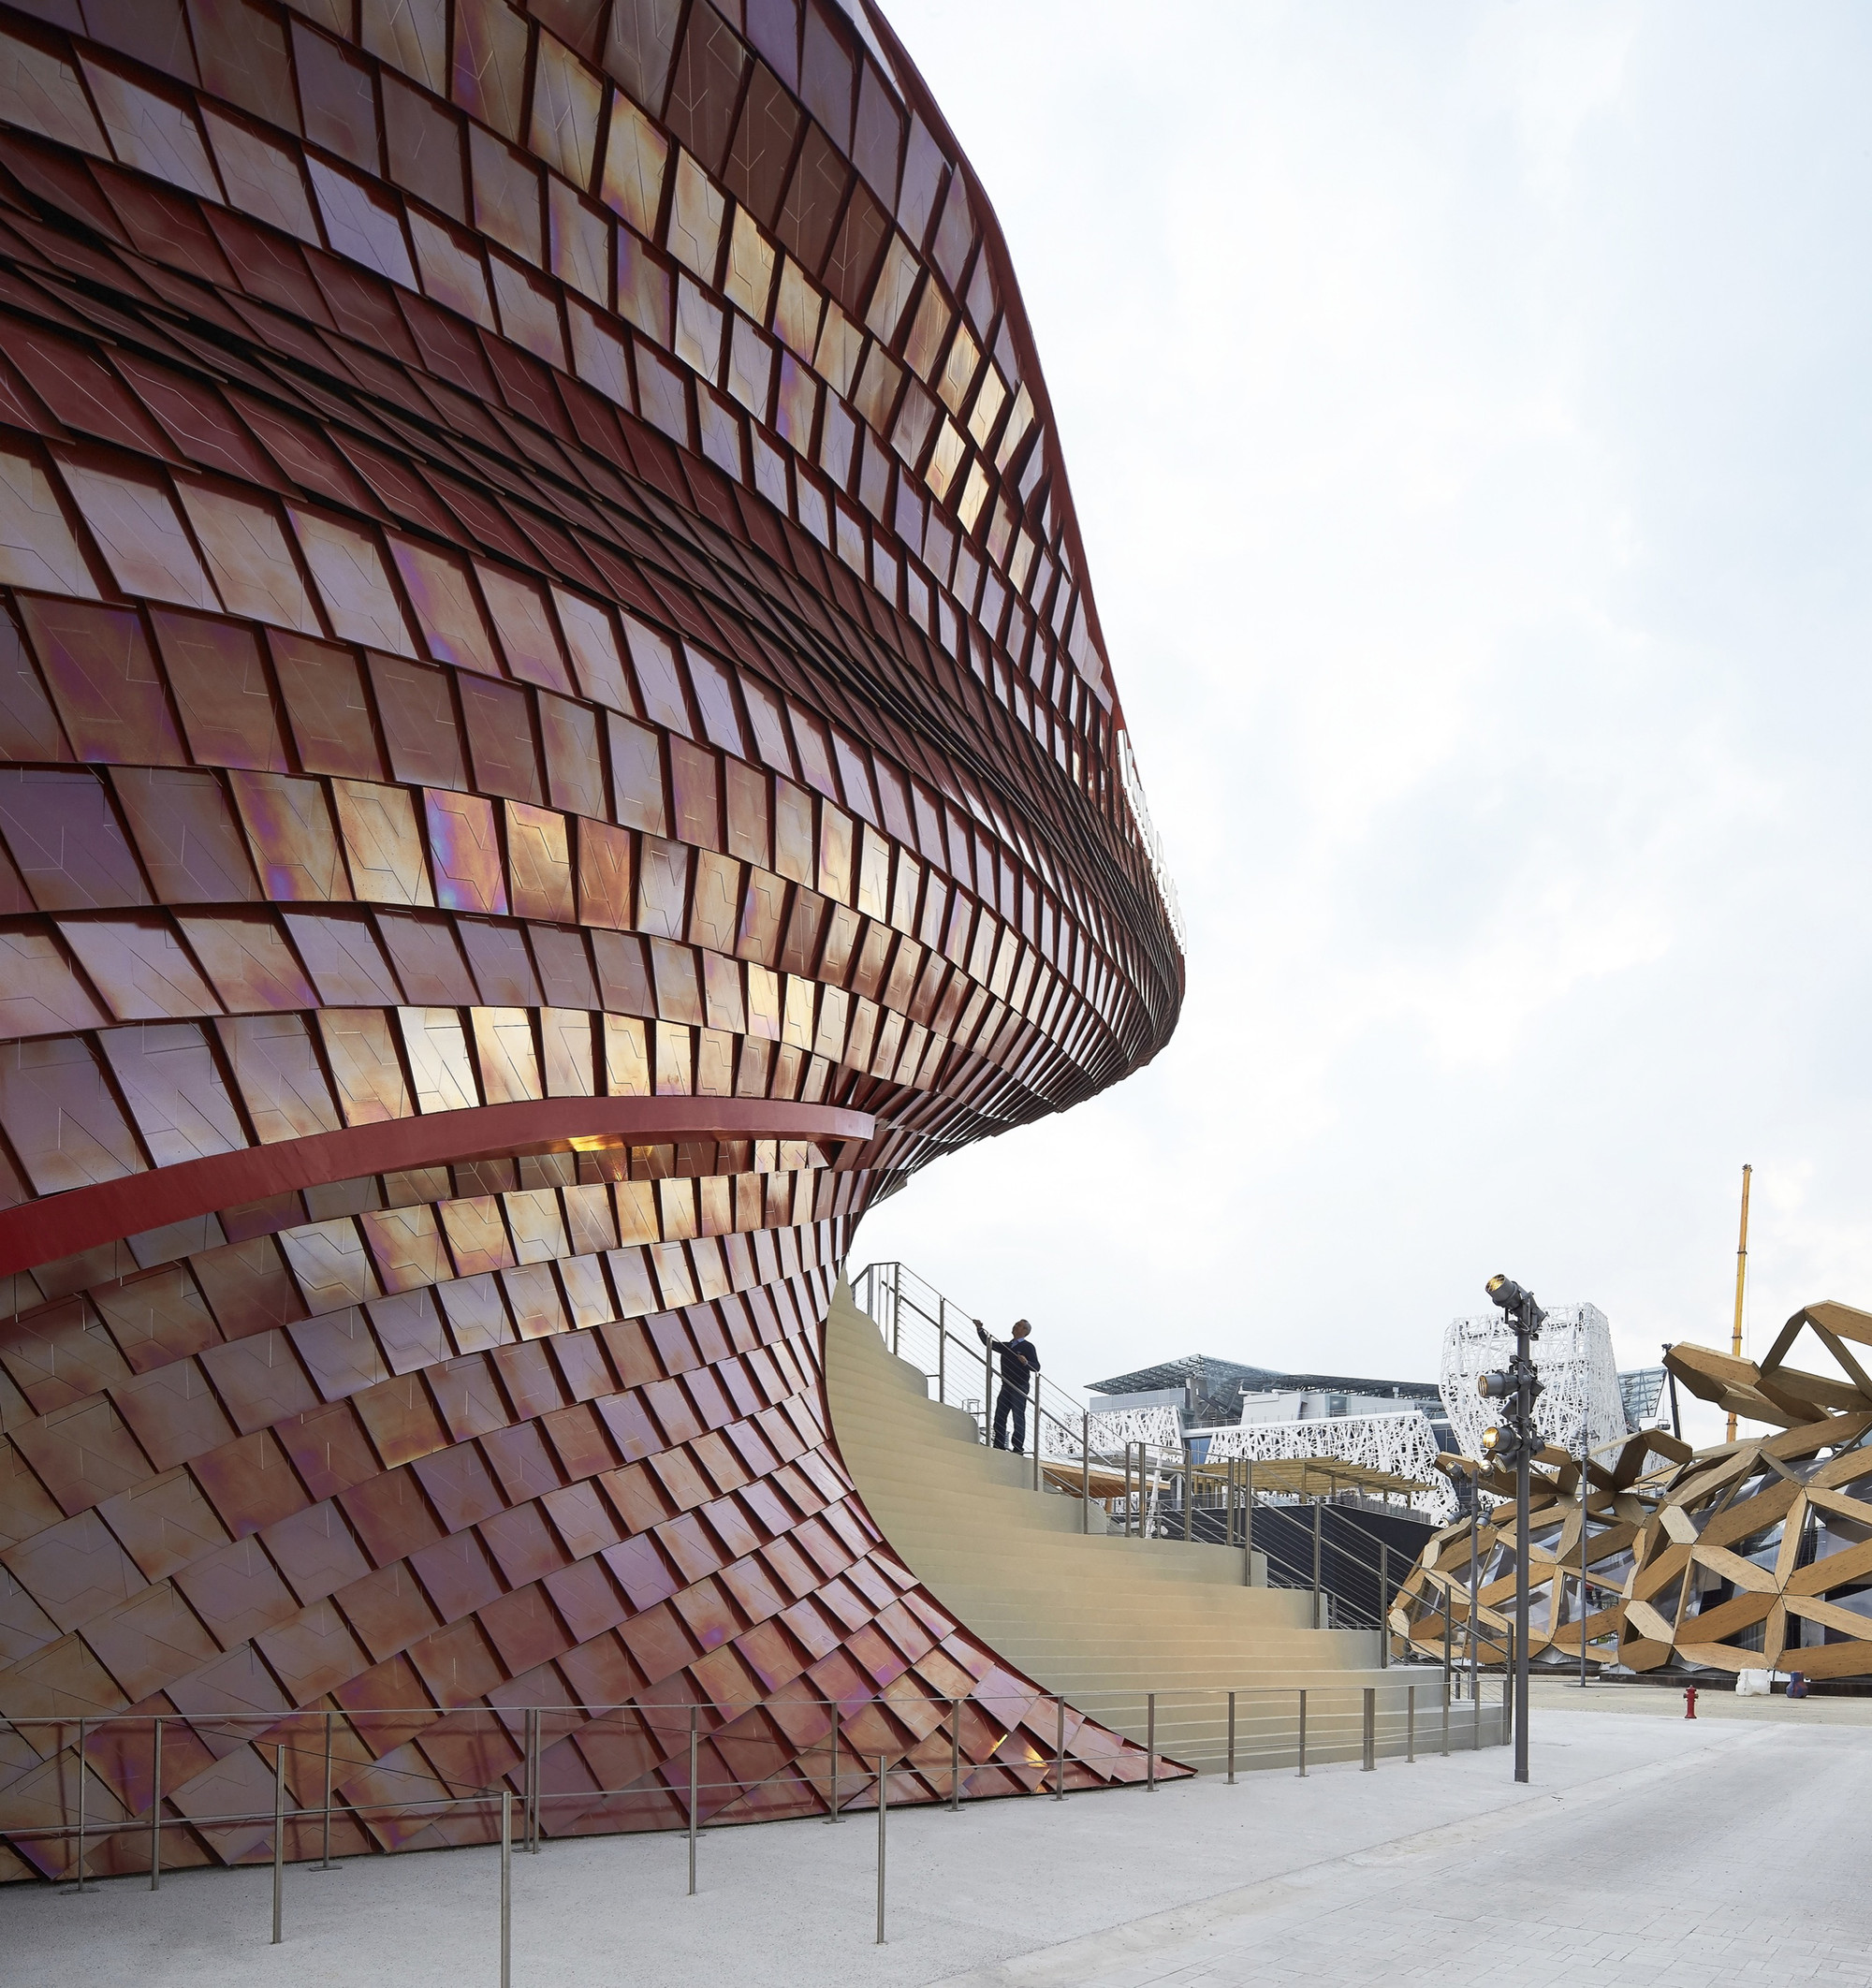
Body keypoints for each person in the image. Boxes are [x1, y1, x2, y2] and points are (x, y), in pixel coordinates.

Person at [975, 1317, 1040, 1452]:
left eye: (1019, 1325)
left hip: (1019, 1385)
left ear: (1025, 1331)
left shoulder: (1028, 1347)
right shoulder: (1008, 1346)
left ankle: (1018, 1447)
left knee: (1018, 1416)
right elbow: (990, 1344)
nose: (1015, 1326)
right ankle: (999, 1444)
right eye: (1016, 1324)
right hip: (1006, 1385)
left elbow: (1036, 1367)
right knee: (1000, 1415)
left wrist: (1026, 1362)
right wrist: (980, 1330)